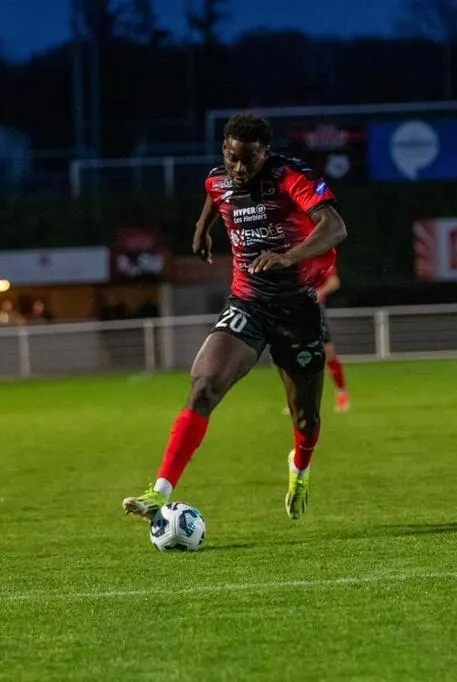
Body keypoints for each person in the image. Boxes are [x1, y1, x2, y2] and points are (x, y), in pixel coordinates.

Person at [122, 113, 348, 522]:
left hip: (297, 309)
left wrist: (287, 256)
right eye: (232, 158)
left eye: (249, 160)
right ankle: (158, 492)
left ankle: (299, 469)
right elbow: (215, 193)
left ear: (266, 153)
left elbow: (335, 227)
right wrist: (201, 227)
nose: (239, 169)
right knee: (204, 387)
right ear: (224, 151)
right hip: (248, 304)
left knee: (306, 417)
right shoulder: (218, 179)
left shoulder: (289, 177)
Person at [283, 263, 350, 413]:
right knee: (294, 355)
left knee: (328, 354)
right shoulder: (291, 257)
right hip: (295, 311)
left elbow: (334, 282)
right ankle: (296, 399)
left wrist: (320, 291)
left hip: (315, 310)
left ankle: (341, 392)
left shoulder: (320, 257)